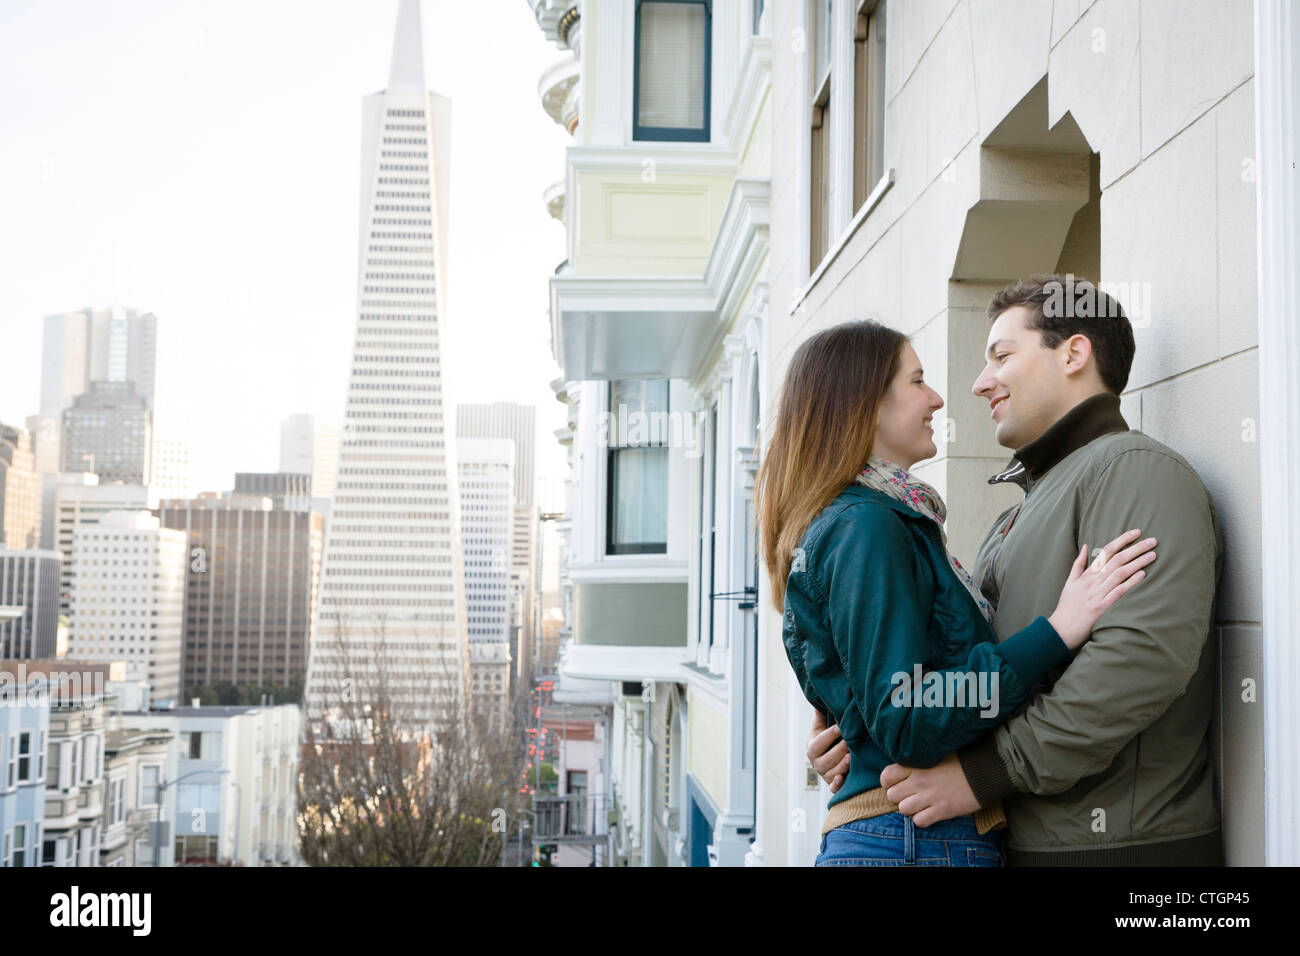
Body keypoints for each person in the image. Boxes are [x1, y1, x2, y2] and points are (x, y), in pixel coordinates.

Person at [808, 275, 1225, 866]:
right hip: (1026, 842)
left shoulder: (1134, 471)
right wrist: (860, 734)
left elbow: (1139, 661)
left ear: (1074, 353)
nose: (978, 384)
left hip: (1117, 851)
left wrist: (985, 773)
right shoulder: (1024, 510)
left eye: (1002, 355)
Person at [757, 316, 1156, 866]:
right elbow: (908, 715)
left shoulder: (874, 520)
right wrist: (1057, 631)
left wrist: (854, 738)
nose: (939, 399)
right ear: (865, 404)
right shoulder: (866, 526)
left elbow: (875, 706)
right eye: (917, 381)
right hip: (914, 841)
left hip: (906, 838)